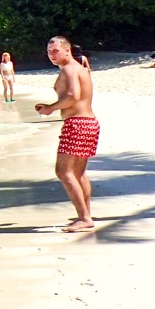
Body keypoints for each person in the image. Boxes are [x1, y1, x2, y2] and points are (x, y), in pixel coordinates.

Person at [35, 36, 99, 232]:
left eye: (55, 51)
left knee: (63, 172)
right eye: (48, 51)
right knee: (78, 173)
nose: (52, 55)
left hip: (77, 124)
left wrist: (50, 108)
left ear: (67, 50)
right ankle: (85, 215)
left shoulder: (69, 69)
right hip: (89, 123)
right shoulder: (79, 68)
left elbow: (73, 96)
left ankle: (84, 217)